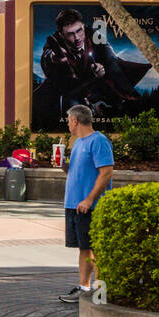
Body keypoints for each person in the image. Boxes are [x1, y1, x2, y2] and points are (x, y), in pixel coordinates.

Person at [59, 104, 115, 303]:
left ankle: (101, 291)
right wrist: (63, 166)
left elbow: (106, 172)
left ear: (75, 120)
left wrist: (90, 199)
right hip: (74, 205)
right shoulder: (78, 143)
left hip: (89, 206)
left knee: (95, 248)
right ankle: (84, 287)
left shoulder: (98, 141)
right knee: (84, 247)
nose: (68, 125)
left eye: (68, 121)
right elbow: (77, 173)